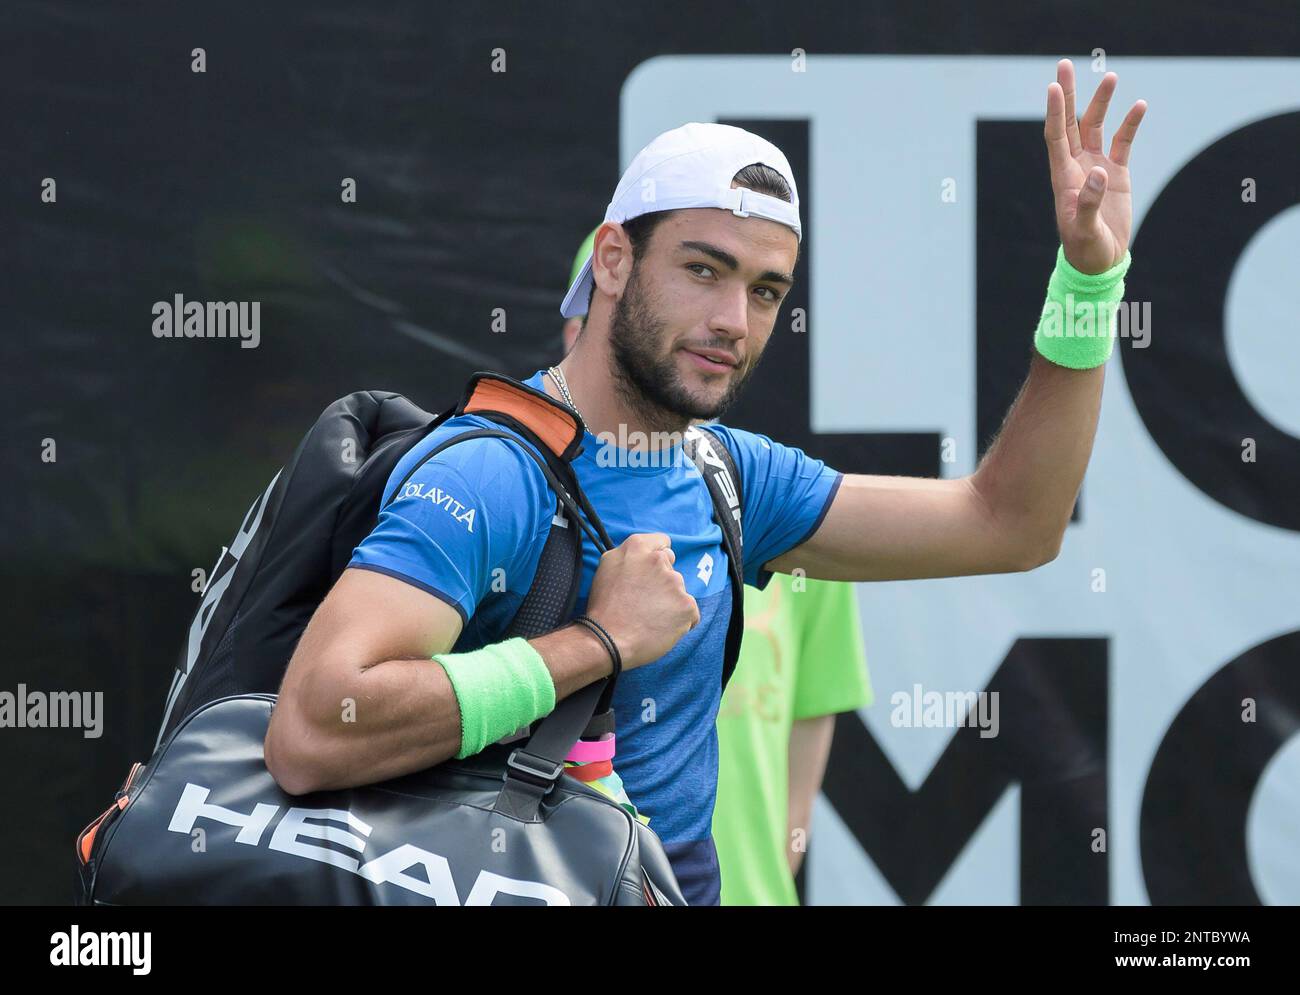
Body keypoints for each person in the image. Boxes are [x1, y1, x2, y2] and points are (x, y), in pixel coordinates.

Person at [264, 61, 1147, 905]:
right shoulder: (490, 473)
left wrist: (1088, 282)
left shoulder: (731, 475)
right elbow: (310, 731)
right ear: (612, 261)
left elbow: (1011, 523)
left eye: (766, 291)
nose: (733, 320)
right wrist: (597, 642)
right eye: (703, 269)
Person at [561, 231, 874, 906]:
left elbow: (814, 708)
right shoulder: (523, 498)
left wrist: (777, 868)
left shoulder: (769, 511)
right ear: (574, 325)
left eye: (761, 291)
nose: (730, 315)